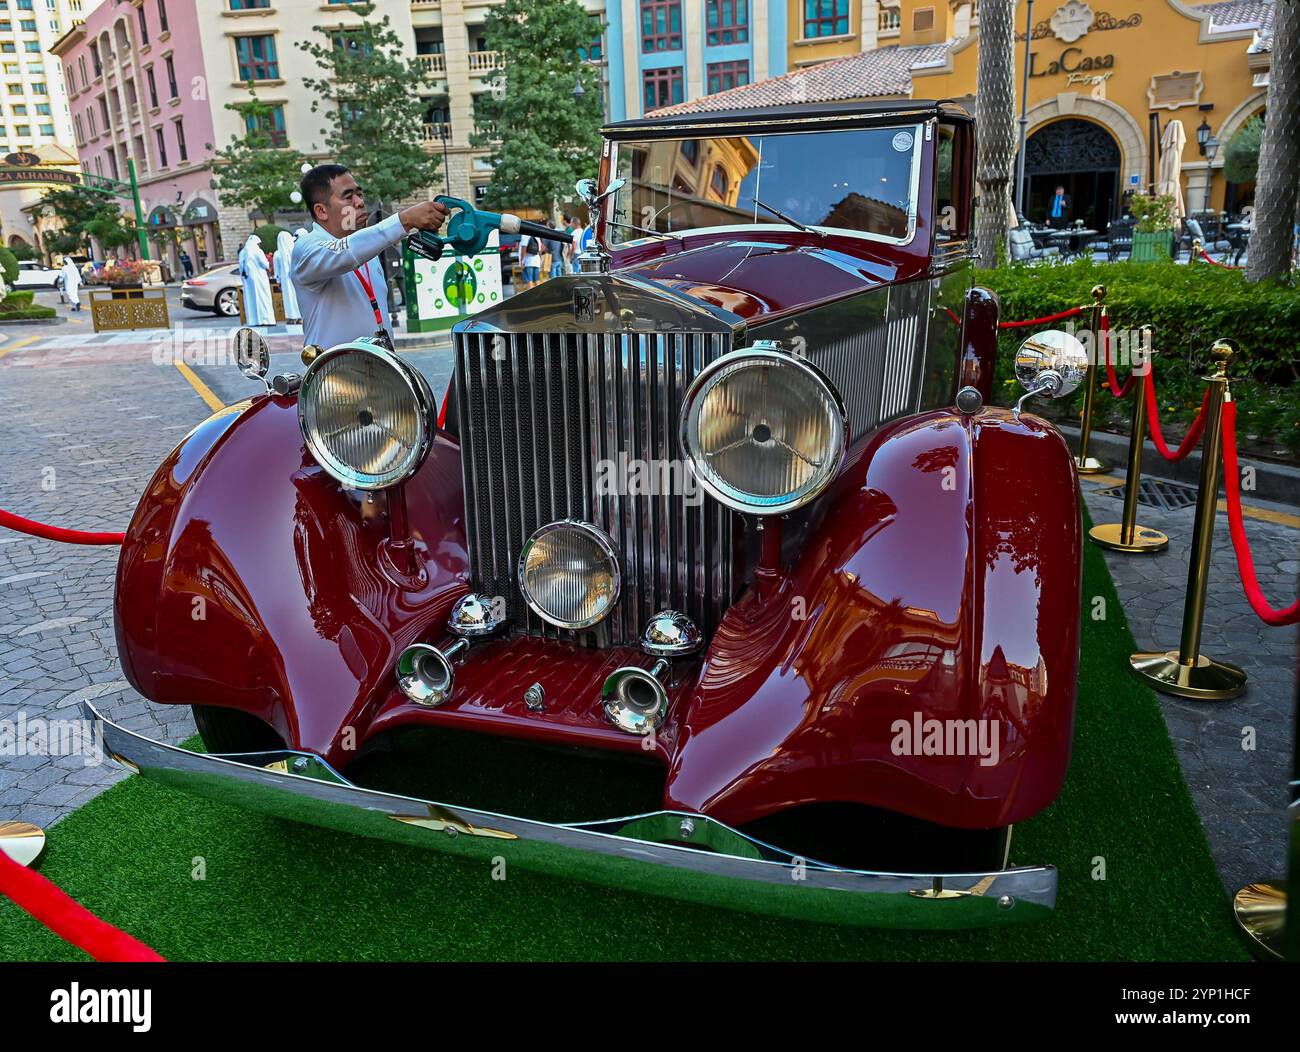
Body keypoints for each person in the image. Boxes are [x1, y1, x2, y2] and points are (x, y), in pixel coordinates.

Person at [292, 164, 448, 348]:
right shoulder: (306, 247)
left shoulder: (368, 250)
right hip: (332, 373)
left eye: (360, 194)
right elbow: (344, 252)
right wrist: (405, 220)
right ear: (321, 211)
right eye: (348, 197)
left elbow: (356, 248)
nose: (359, 202)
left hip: (381, 369)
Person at [237, 234, 274, 326]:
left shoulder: (243, 252)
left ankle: (253, 321)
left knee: (250, 300)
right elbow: (265, 264)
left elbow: (241, 268)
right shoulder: (257, 251)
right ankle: (265, 320)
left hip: (248, 280)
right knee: (263, 298)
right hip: (259, 278)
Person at [274, 228, 302, 324]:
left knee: (288, 298)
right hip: (296, 278)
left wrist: (278, 281)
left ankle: (291, 318)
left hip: (285, 281)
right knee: (297, 297)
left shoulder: (277, 254)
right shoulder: (295, 250)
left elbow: (277, 270)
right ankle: (300, 317)